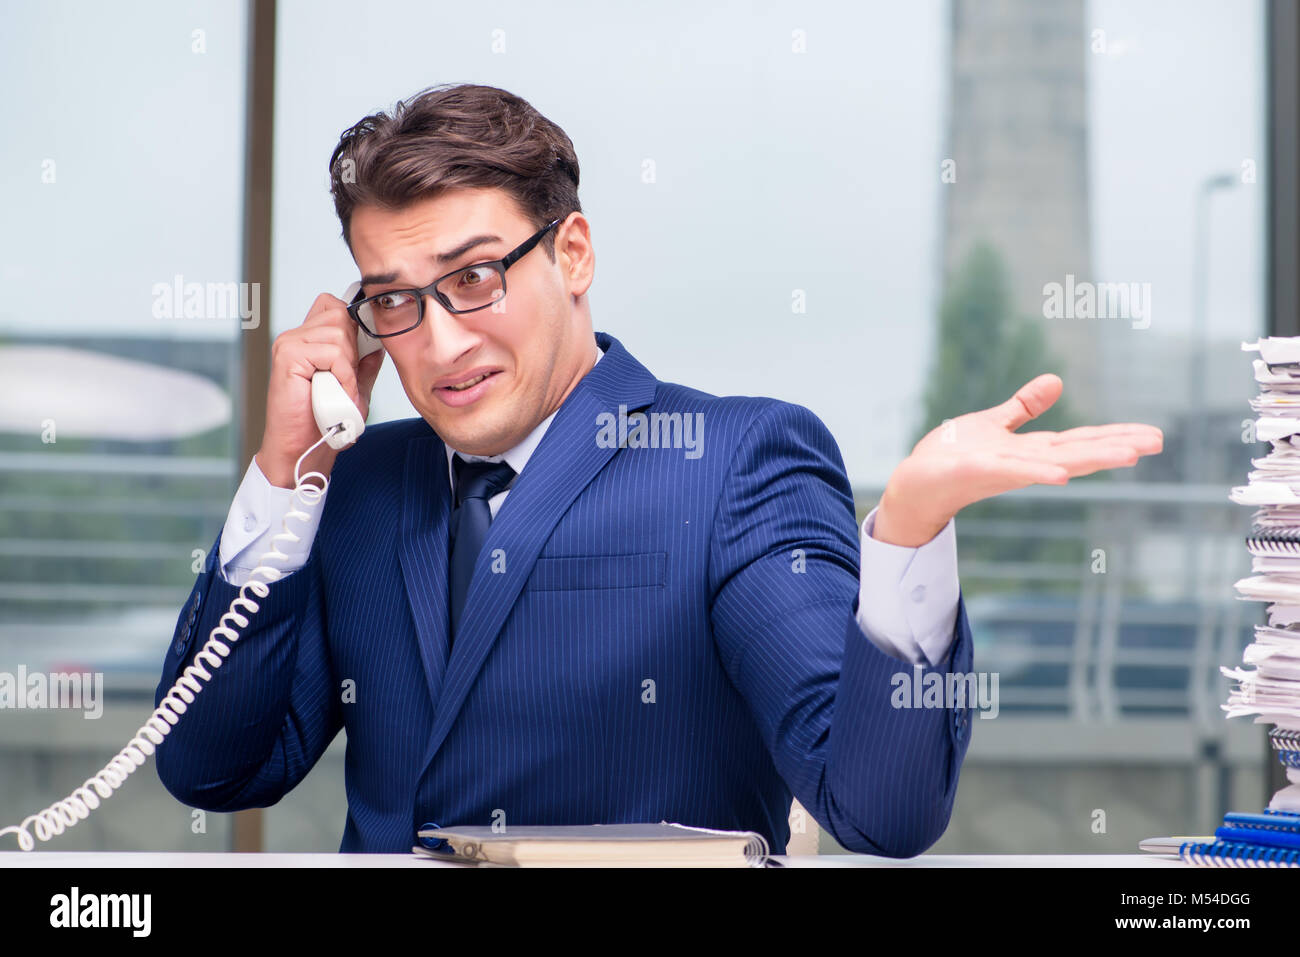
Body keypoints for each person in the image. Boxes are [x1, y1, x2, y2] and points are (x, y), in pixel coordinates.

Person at [154, 83, 1162, 856]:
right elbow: (212, 768)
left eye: (472, 278)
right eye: (396, 300)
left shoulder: (738, 463)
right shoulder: (360, 485)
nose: (442, 340)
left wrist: (906, 529)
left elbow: (882, 809)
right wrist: (286, 471)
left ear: (574, 254)